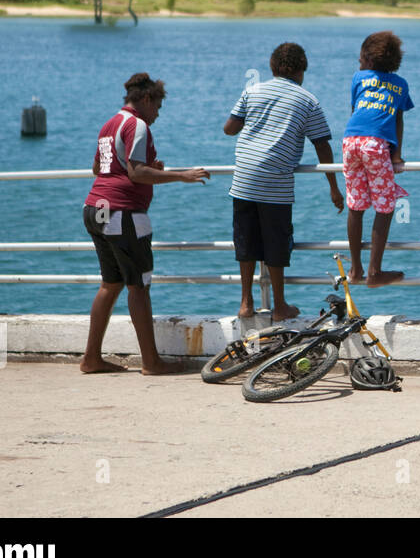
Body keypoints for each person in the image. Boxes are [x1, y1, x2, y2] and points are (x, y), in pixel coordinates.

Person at [82, 73, 209, 374]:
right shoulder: (137, 125)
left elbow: (99, 167)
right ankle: (151, 362)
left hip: (95, 209)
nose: (157, 116)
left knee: (109, 284)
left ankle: (91, 358)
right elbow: (137, 173)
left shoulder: (109, 124)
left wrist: (150, 170)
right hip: (122, 213)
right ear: (147, 99)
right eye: (158, 108)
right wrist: (182, 175)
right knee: (138, 286)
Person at [224, 43, 342, 321]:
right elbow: (322, 146)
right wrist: (334, 188)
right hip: (275, 184)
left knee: (245, 242)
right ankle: (279, 305)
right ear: (301, 70)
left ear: (272, 66)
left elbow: (229, 129)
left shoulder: (252, 91)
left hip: (243, 179)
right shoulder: (308, 101)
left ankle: (245, 303)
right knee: (276, 245)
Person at [343, 31, 413, 286]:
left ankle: (355, 269)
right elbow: (398, 119)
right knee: (385, 206)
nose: (359, 64)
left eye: (361, 59)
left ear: (370, 61)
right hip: (375, 145)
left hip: (350, 141)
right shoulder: (401, 84)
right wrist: (396, 155)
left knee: (356, 204)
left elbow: (355, 110)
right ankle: (375, 271)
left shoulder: (358, 78)